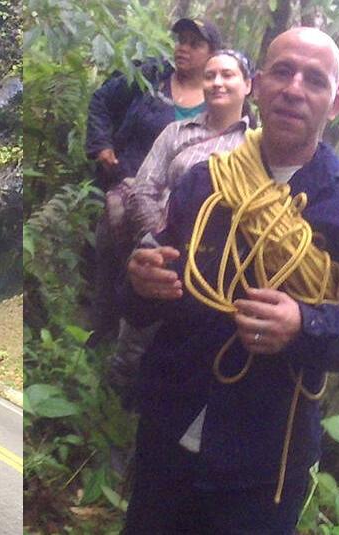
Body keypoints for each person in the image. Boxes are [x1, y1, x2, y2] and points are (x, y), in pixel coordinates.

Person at [122, 27, 339, 532]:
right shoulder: (206, 180)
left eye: (315, 79)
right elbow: (155, 268)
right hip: (169, 424)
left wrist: (304, 324)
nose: (294, 88)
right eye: (282, 71)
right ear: (257, 83)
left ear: (336, 99)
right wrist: (141, 281)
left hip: (265, 455)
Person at [104, 48, 255, 405]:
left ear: (248, 85)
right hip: (162, 246)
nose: (217, 82)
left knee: (185, 348)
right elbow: (143, 187)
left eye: (228, 75)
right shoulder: (175, 132)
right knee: (134, 337)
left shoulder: (254, 148)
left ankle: (160, 413)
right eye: (210, 75)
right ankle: (111, 412)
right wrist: (165, 239)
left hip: (216, 270)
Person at [84, 17, 220, 342]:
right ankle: (94, 339)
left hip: (176, 217)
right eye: (181, 40)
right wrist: (102, 145)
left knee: (153, 283)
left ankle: (128, 357)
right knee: (109, 268)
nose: (183, 48)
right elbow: (102, 100)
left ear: (212, 53)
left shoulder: (220, 96)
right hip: (123, 193)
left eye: (194, 43)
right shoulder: (152, 76)